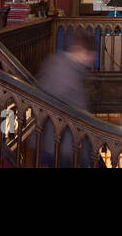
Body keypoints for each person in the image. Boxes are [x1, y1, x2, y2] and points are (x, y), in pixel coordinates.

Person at [36, 28, 95, 166]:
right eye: (90, 55)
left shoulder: (67, 67)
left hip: (66, 144)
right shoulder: (61, 69)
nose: (91, 60)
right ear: (81, 50)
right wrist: (84, 115)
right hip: (60, 145)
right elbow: (54, 105)